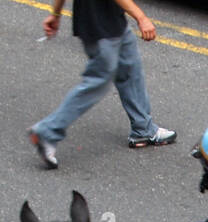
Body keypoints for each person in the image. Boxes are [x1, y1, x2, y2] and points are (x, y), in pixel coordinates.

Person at [28, 0, 175, 169]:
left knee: (129, 66)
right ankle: (47, 132)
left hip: (111, 20)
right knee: (97, 83)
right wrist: (141, 18)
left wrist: (55, 14)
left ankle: (143, 129)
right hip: (99, 27)